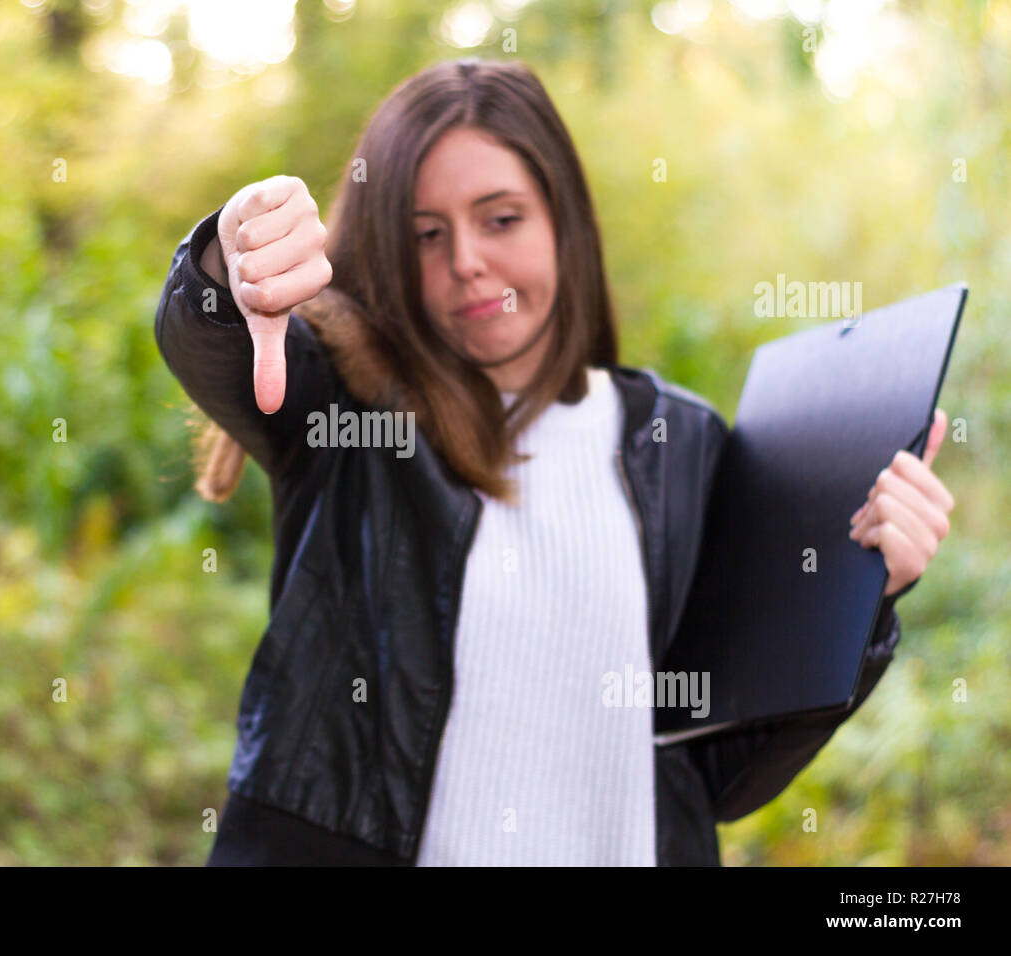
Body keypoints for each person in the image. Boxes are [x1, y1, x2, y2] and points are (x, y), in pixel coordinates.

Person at [153, 58, 955, 866]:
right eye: (427, 234)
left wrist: (865, 601)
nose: (467, 258)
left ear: (564, 223)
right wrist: (229, 260)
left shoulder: (683, 448)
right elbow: (209, 339)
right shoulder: (348, 411)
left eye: (501, 219)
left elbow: (715, 774)